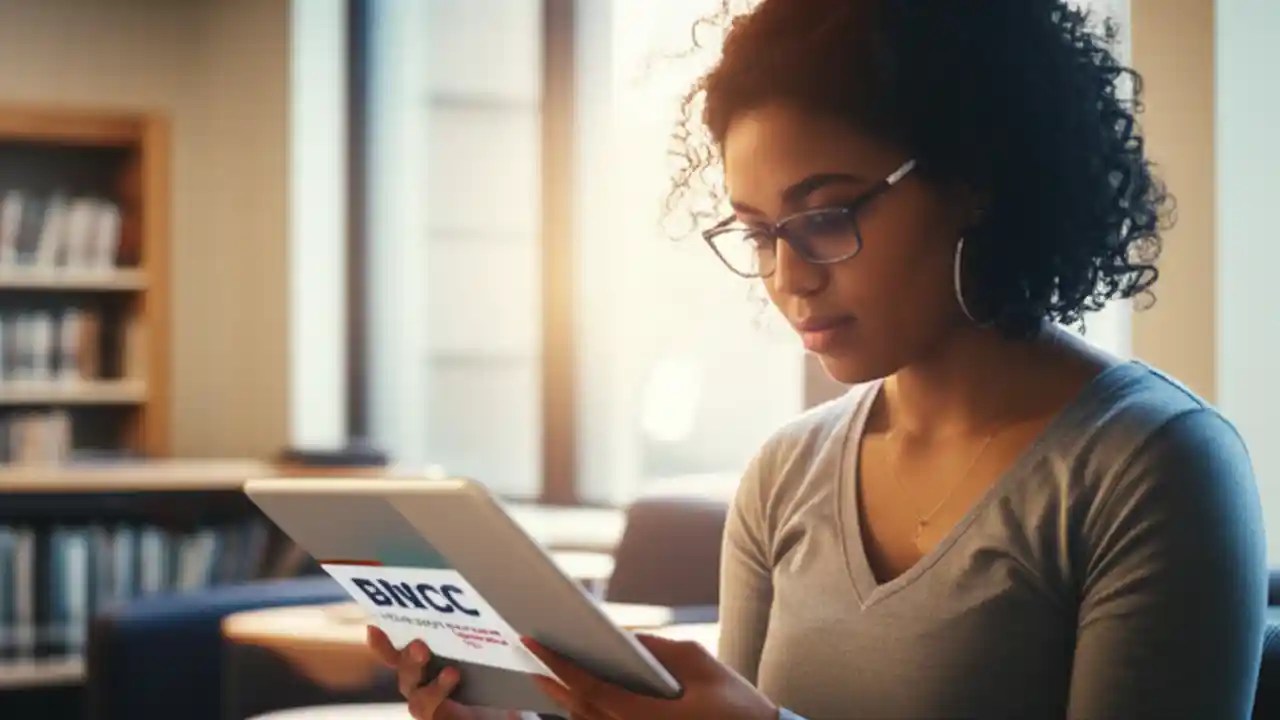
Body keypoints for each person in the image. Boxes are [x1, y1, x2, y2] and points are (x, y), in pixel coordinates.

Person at [369, 0, 1268, 717]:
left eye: (826, 216)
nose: (789, 277)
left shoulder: (1154, 465)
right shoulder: (785, 474)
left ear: (977, 179)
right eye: (760, 233)